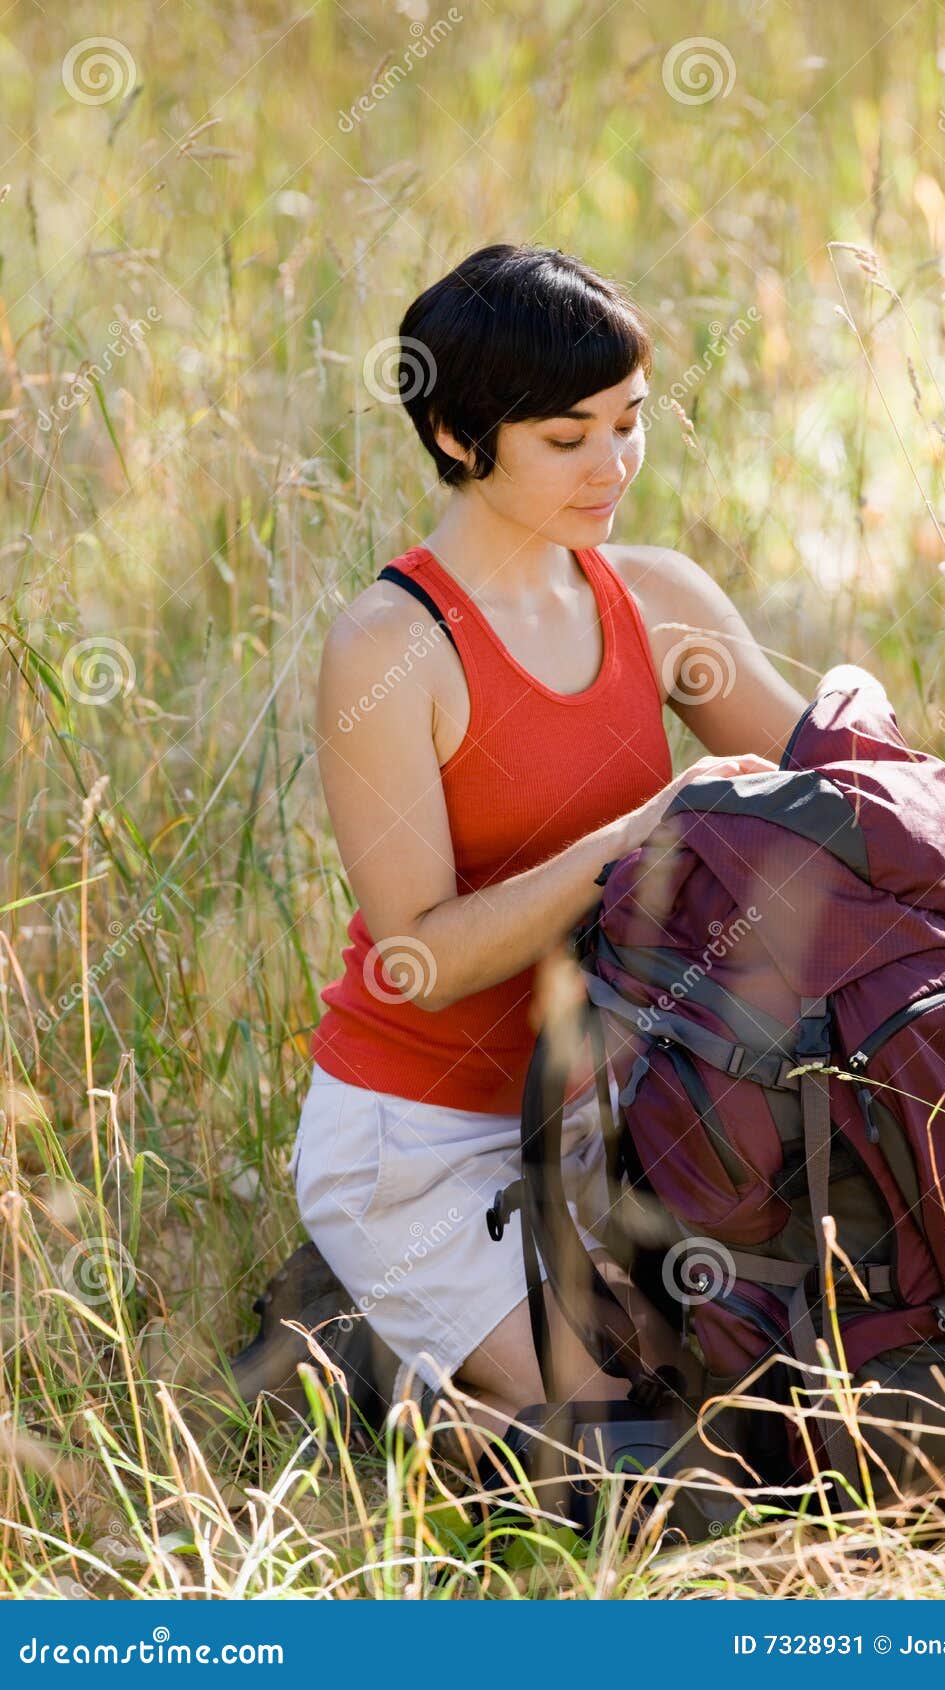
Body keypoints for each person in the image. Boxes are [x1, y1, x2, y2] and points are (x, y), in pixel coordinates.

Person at [291, 242, 809, 1473]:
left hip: (622, 1120)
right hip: (420, 1137)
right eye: (566, 439)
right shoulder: (390, 648)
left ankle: (434, 1348)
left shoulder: (656, 597)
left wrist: (869, 755)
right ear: (463, 438)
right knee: (629, 1468)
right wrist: (638, 836)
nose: (613, 465)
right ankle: (371, 1355)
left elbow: (822, 787)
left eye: (630, 424)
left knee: (781, 1421)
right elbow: (421, 956)